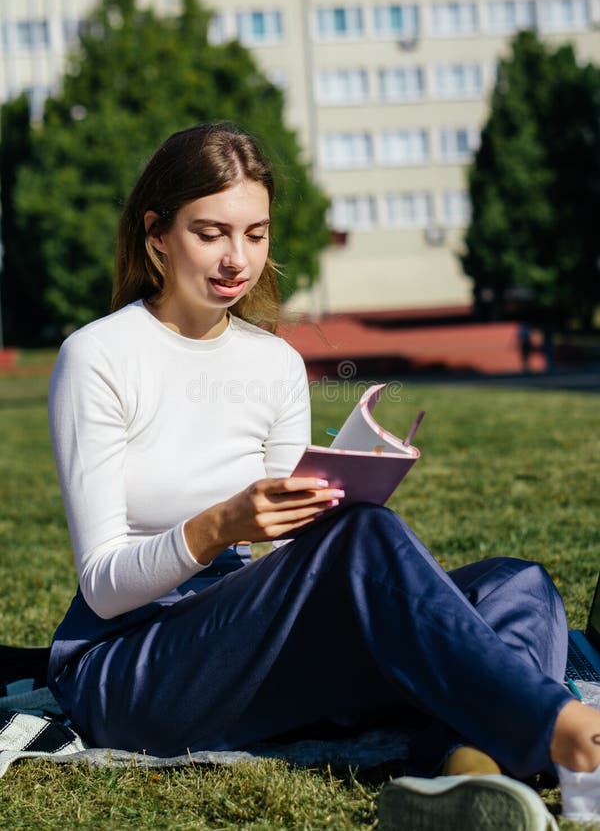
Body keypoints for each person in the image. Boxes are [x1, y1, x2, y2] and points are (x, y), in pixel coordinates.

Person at [47, 123, 600, 830]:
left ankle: (469, 770)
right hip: (128, 664)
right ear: (157, 234)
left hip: (238, 634)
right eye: (211, 233)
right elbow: (102, 583)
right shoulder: (97, 357)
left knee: (515, 585)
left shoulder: (272, 361)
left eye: (256, 233)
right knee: (365, 540)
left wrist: (334, 490)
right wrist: (223, 525)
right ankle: (569, 736)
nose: (236, 259)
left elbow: (292, 561)